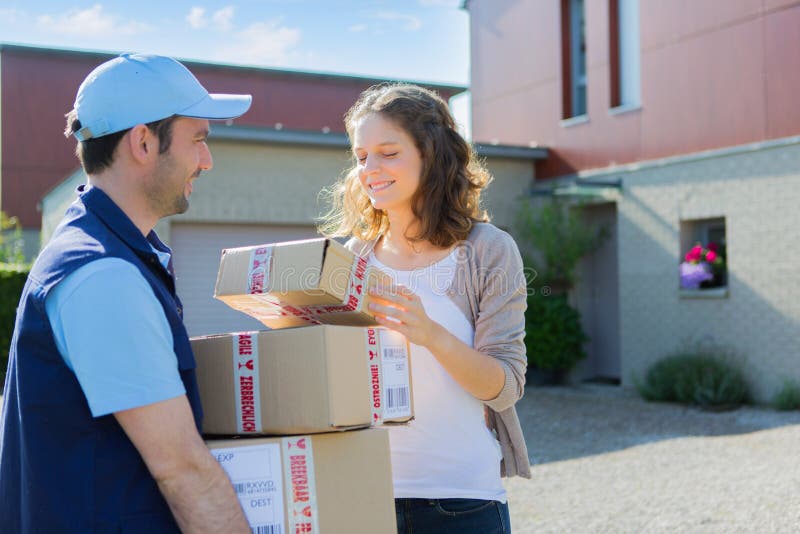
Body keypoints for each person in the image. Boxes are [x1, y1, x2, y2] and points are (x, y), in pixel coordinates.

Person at [0, 53, 253, 533]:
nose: (207, 160)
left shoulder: (99, 252)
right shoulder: (102, 275)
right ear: (142, 142)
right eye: (198, 139)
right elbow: (182, 470)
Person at [321, 84, 530, 534]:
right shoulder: (353, 259)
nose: (369, 169)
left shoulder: (487, 251)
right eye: (361, 157)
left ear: (431, 154)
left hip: (462, 503)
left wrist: (431, 334)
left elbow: (505, 386)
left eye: (387, 152)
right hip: (363, 499)